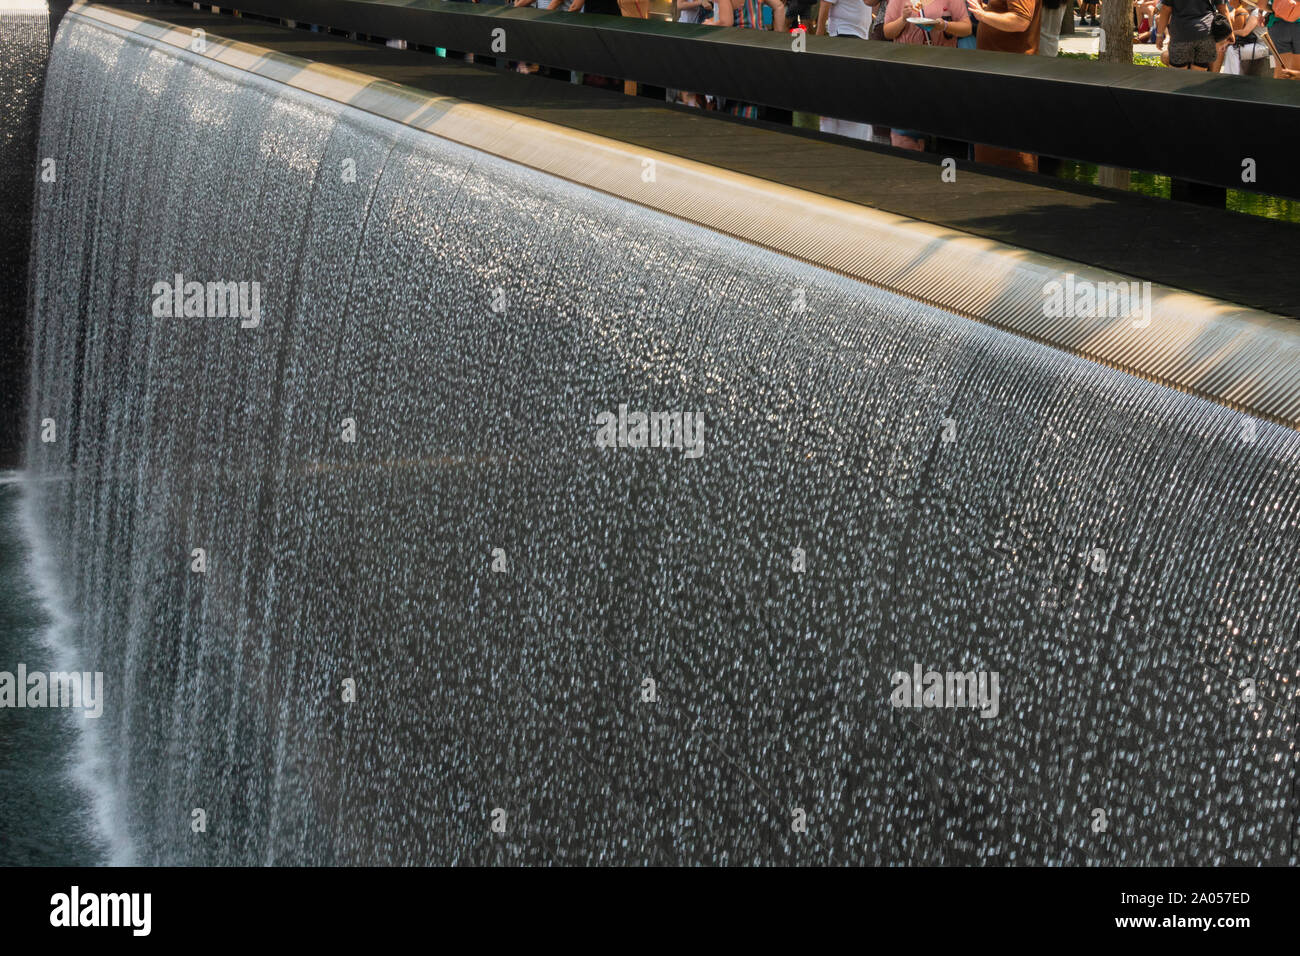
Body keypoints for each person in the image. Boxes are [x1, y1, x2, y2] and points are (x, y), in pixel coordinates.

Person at [881, 0, 972, 149]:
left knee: (946, 134)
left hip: (942, 73)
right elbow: (888, 32)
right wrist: (903, 19)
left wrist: (944, 25)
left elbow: (967, 28)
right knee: (905, 133)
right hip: (908, 73)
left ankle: (946, 166)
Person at [966, 0, 1042, 171]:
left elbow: (1020, 20)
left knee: (1013, 154)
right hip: (998, 76)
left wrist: (983, 15)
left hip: (1010, 79)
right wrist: (986, 10)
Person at [1157, 0, 1230, 69]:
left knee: (1178, 76)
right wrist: (1231, 32)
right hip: (1205, 32)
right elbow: (1222, 7)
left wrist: (1159, 35)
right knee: (1198, 77)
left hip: (1181, 34)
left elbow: (1165, 9)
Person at [1223, 0, 1271, 72]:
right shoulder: (1253, 12)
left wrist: (1230, 33)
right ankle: (1232, 75)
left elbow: (1244, 32)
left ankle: (1233, 77)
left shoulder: (1256, 12)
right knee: (1231, 49)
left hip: (1263, 47)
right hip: (1258, 45)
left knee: (1232, 50)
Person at [1268, 0, 1300, 77]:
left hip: (1278, 25)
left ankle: (1279, 88)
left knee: (1281, 69)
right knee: (1297, 72)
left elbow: (1261, 4)